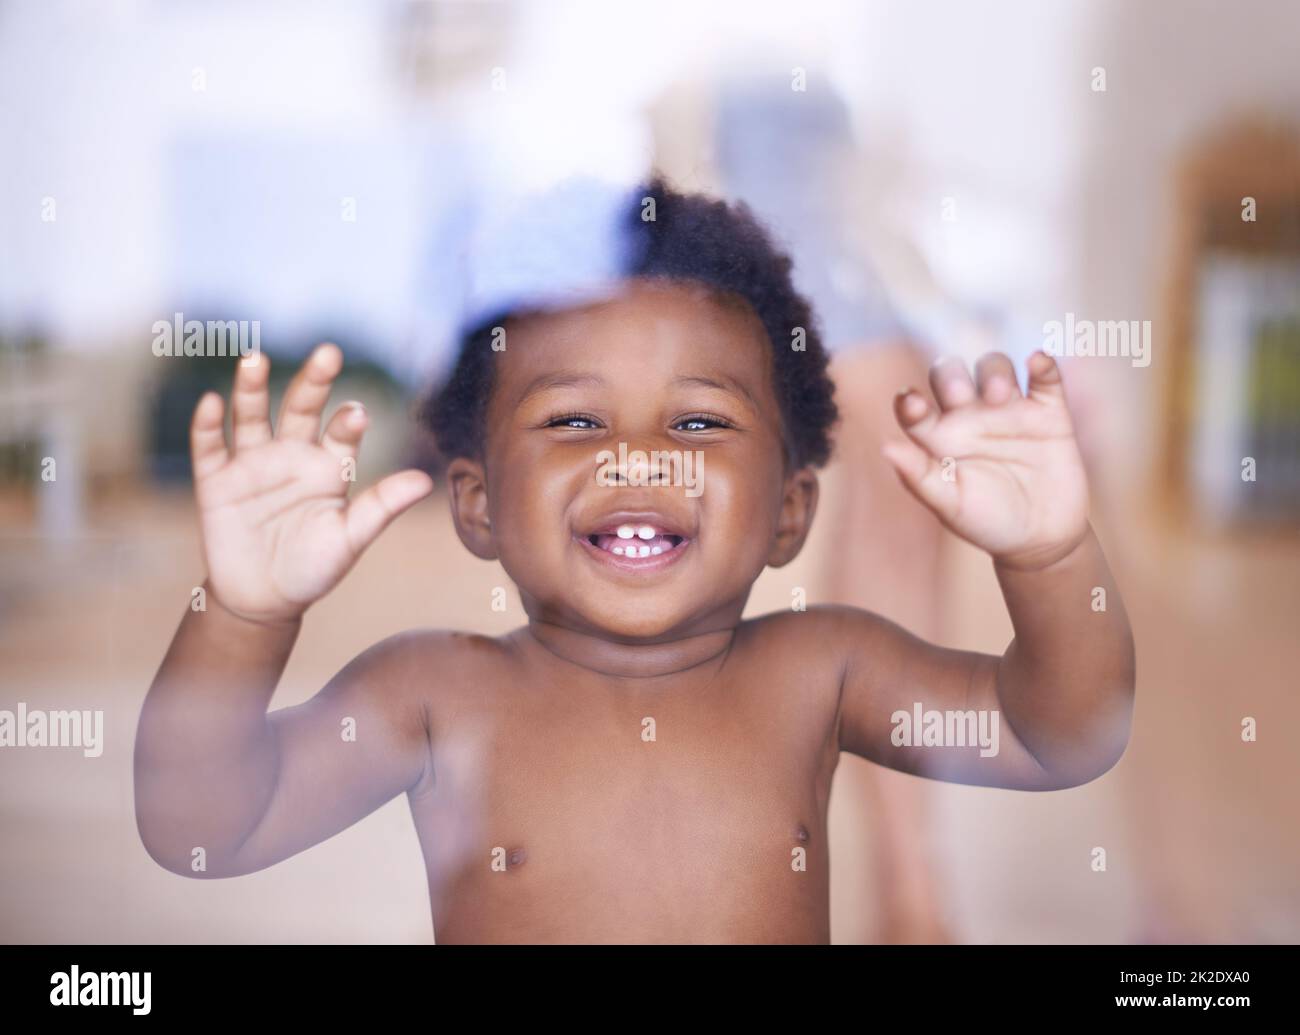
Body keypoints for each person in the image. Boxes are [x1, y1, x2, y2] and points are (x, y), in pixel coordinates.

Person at [135, 177, 1135, 943]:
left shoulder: (824, 672)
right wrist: (245, 613)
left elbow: (1058, 734)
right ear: (477, 505)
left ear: (789, 511)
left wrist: (1049, 555)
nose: (639, 457)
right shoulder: (432, 693)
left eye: (699, 421)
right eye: (574, 420)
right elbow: (206, 828)